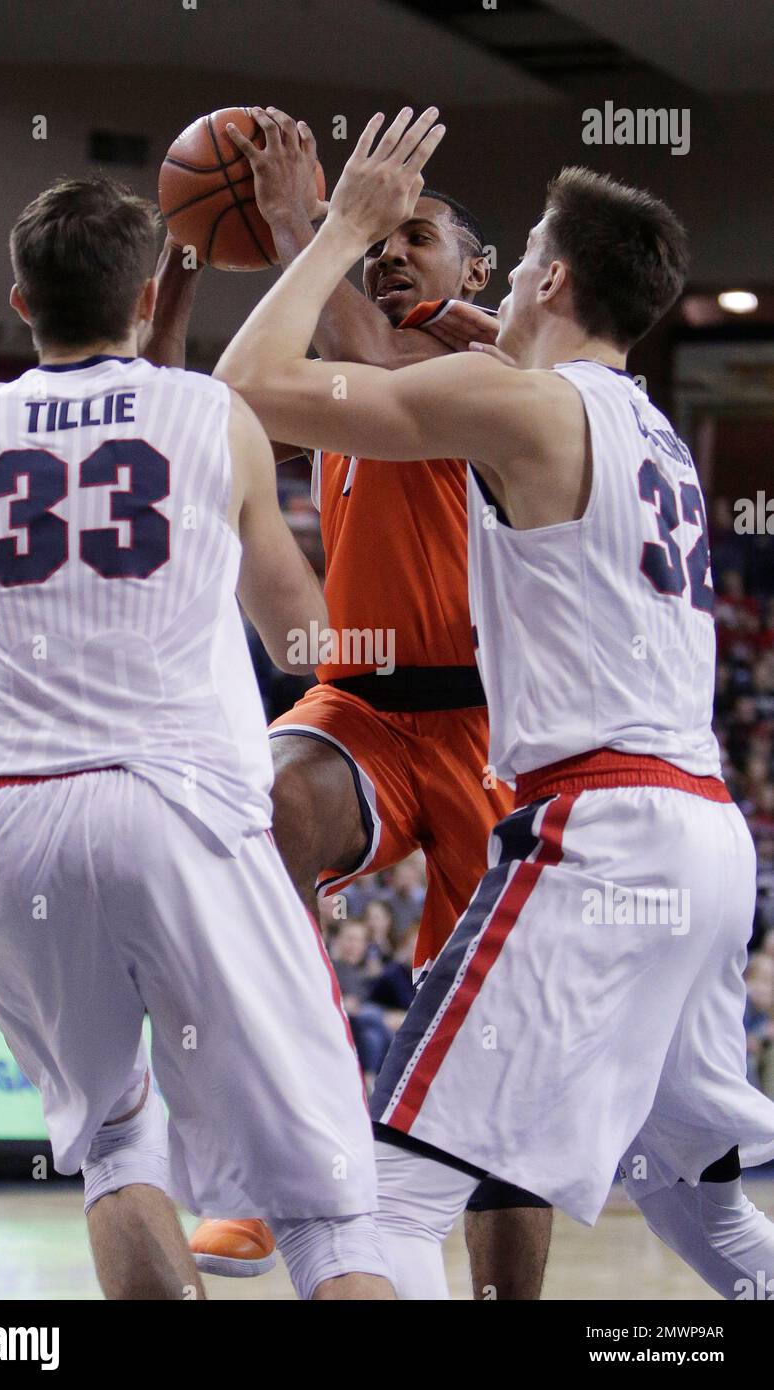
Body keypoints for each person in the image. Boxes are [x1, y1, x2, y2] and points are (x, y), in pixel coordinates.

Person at [215, 105, 774, 1299]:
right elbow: (367, 348)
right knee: (703, 1209)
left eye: (518, 256)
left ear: (540, 277)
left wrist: (317, 225)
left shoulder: (510, 397)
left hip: (581, 814)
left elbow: (249, 382)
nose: (508, 274)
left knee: (384, 1201)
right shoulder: (648, 428)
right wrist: (315, 234)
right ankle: (279, 1091)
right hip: (701, 837)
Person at [0, 175, 394, 1302]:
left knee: (113, 1145)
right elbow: (300, 634)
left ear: (20, 299)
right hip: (176, 804)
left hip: (4, 820)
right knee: (327, 1204)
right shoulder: (212, 415)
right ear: (146, 296)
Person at [158, 106, 552, 1297]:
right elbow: (197, 434)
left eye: (416, 234)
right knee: (262, 803)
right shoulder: (333, 357)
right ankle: (301, 1131)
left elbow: (369, 356)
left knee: (494, 1081)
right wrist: (168, 309)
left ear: (476, 272)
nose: (389, 248)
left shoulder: (484, 365)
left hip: (496, 726)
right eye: (381, 238)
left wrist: (305, 224)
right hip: (363, 705)